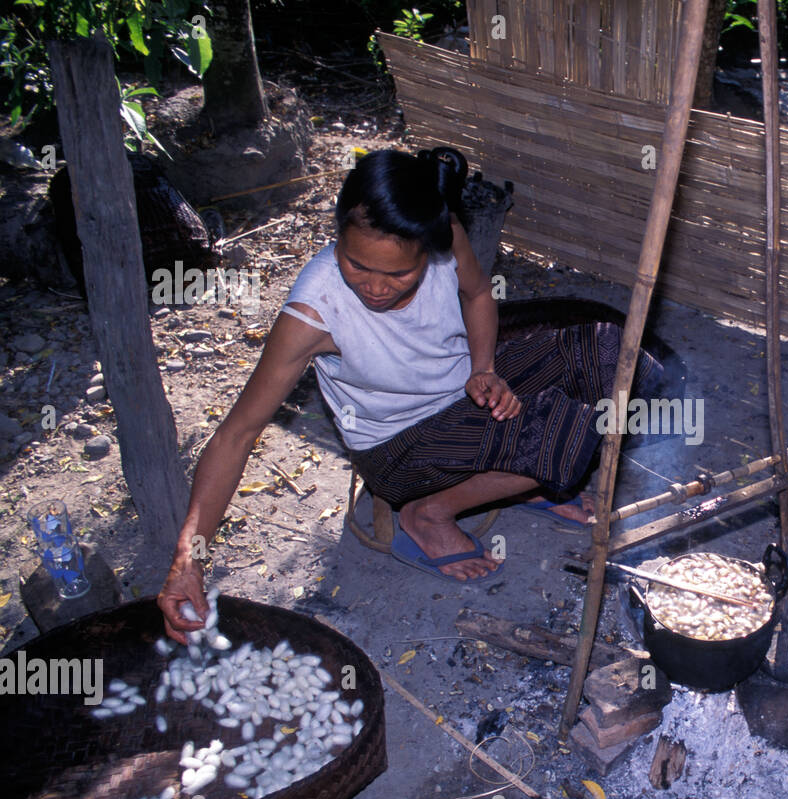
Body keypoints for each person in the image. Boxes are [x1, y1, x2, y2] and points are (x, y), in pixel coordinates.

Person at [158, 147, 662, 645]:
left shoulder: (447, 237)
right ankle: (428, 513)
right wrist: (187, 560)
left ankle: (520, 483)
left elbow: (478, 294)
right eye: (357, 265)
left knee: (611, 352)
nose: (376, 287)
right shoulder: (313, 314)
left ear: (428, 246)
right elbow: (235, 435)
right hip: (399, 449)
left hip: (462, 393)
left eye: (398, 273)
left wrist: (484, 369)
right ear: (338, 236)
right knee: (565, 435)